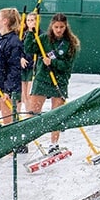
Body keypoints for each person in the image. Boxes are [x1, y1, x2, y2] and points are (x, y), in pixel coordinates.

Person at [27, 13, 81, 153]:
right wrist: (31, 32)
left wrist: (53, 62)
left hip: (59, 81)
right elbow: (29, 48)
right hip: (42, 79)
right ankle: (25, 140)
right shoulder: (44, 39)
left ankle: (54, 144)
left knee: (57, 114)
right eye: (56, 27)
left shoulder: (71, 43)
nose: (58, 30)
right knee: (33, 111)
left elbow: (67, 66)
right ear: (51, 26)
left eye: (61, 27)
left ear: (66, 27)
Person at [19, 10, 42, 105]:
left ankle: (30, 111)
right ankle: (24, 111)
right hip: (24, 65)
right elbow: (19, 47)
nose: (30, 22)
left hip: (34, 66)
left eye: (32, 20)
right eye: (28, 20)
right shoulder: (23, 34)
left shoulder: (41, 34)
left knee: (30, 94)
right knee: (23, 95)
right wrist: (21, 58)